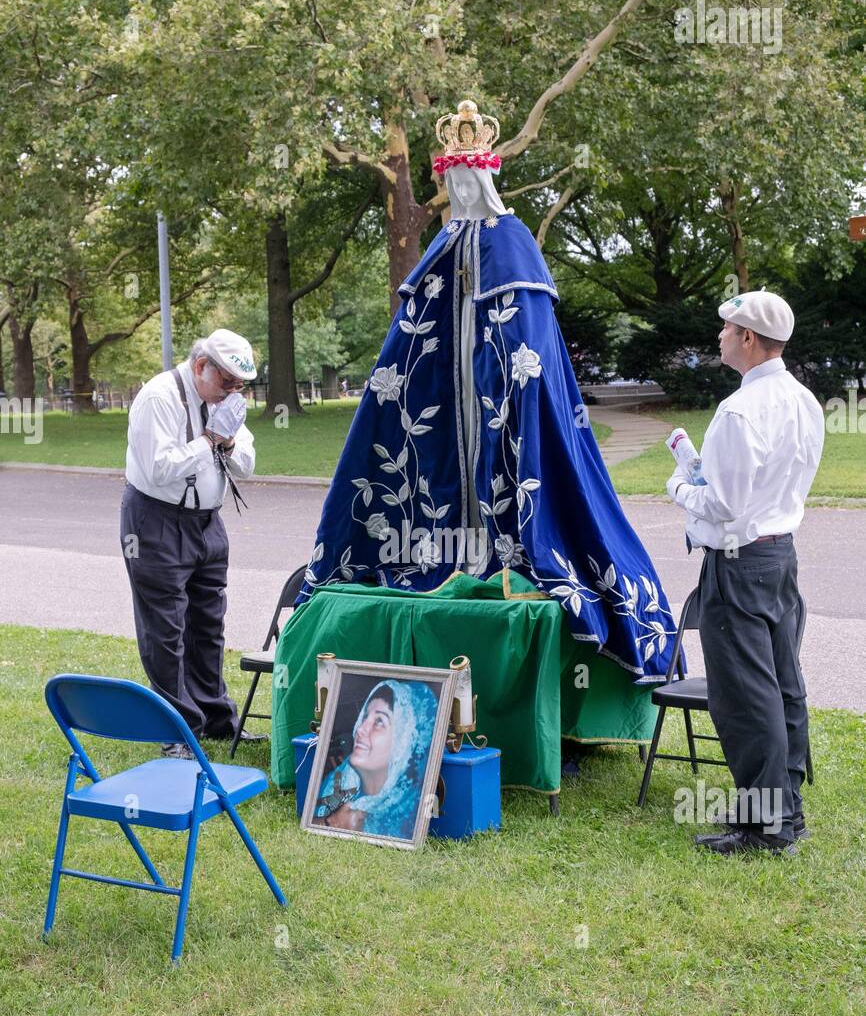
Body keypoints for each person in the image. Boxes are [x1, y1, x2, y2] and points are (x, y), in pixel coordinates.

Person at [298, 98, 677, 685]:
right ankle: (440, 549)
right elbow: (417, 337)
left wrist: (507, 378)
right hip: (449, 404)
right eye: (451, 181)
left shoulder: (513, 242)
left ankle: (510, 551)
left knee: (519, 470)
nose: (459, 192)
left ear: (483, 177)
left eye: (465, 179)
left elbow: (530, 339)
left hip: (500, 389)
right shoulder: (443, 247)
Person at [666, 289, 825, 855]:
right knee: (784, 685)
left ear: (749, 339)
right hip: (780, 555)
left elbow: (725, 503)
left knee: (743, 696)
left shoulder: (739, 410)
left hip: (737, 562)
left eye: (727, 328)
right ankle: (788, 807)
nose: (720, 336)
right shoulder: (804, 400)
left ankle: (765, 826)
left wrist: (679, 486)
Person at [121, 329, 260, 757]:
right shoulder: (159, 397)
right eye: (227, 384)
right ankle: (176, 732)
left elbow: (249, 467)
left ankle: (216, 718)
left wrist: (231, 439)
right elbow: (161, 468)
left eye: (241, 387)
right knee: (165, 629)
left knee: (209, 623)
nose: (233, 394)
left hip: (207, 522)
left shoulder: (223, 402)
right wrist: (208, 441)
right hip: (154, 521)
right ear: (201, 367)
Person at [314, 679, 440, 839]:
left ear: (404, 742)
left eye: (379, 721)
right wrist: (332, 821)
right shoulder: (337, 782)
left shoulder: (403, 818)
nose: (360, 729)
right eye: (364, 717)